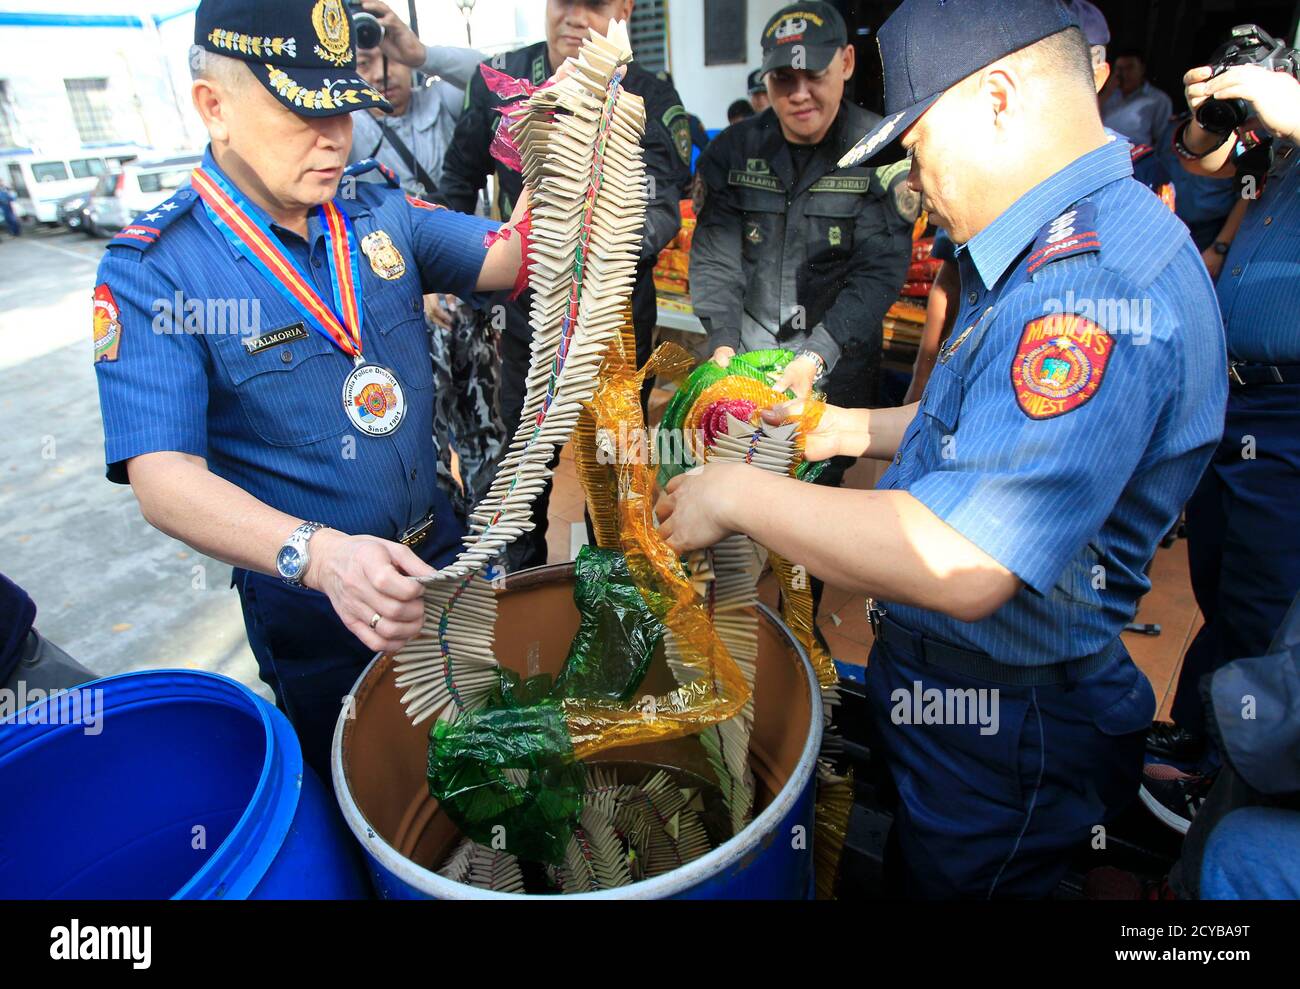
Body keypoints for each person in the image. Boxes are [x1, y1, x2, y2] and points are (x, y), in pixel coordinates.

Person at [657, 0, 1227, 899]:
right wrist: (844, 428)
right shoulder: (1062, 243)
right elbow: (977, 424)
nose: (915, 177)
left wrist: (733, 496)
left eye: (918, 144)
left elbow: (966, 559)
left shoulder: (1088, 289)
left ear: (997, 98)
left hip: (1007, 722)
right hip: (977, 696)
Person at [91, 0, 531, 783]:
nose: (336, 140)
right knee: (377, 794)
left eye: (344, 110)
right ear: (214, 107)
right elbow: (163, 481)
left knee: (494, 755)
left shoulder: (374, 203)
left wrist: (561, 151)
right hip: (315, 604)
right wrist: (321, 558)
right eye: (303, 113)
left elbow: (509, 260)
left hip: (437, 552)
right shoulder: (156, 270)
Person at [436, 0, 691, 571]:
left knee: (616, 473)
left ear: (624, 7)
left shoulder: (648, 94)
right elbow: (457, 180)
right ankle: (523, 596)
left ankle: (611, 603)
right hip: (525, 320)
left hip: (615, 323)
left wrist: (594, 252)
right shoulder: (501, 80)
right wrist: (457, 270)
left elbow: (662, 208)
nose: (575, 16)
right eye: (563, 1)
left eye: (595, 2)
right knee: (521, 466)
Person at [1139, 46, 1300, 830]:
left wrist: (1284, 101)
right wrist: (1217, 109)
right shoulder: (1285, 147)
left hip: (1291, 405)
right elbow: (1203, 161)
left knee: (1269, 592)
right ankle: (1205, 737)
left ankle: (1235, 780)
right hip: (1237, 395)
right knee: (1223, 575)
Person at [691, 0, 913, 436]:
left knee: (817, 487)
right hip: (745, 361)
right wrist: (721, 339)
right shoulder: (732, 153)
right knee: (741, 476)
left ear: (846, 62)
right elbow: (717, 258)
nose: (798, 93)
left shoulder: (880, 154)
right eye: (783, 79)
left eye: (814, 75)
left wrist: (815, 354)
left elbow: (877, 273)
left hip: (834, 363)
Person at [348, 0, 506, 518]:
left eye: (385, 58)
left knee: (488, 425)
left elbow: (492, 78)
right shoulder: (345, 133)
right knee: (424, 434)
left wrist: (419, 52)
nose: (381, 74)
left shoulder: (442, 102)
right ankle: (448, 552)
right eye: (363, 63)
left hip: (473, 296)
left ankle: (495, 541)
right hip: (406, 309)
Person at [1101, 46, 1174, 146]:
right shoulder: (1107, 94)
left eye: (1130, 68)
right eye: (1120, 69)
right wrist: (1107, 91)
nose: (1125, 74)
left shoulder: (1158, 99)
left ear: (1142, 69)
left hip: (1136, 158)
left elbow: (1162, 140)